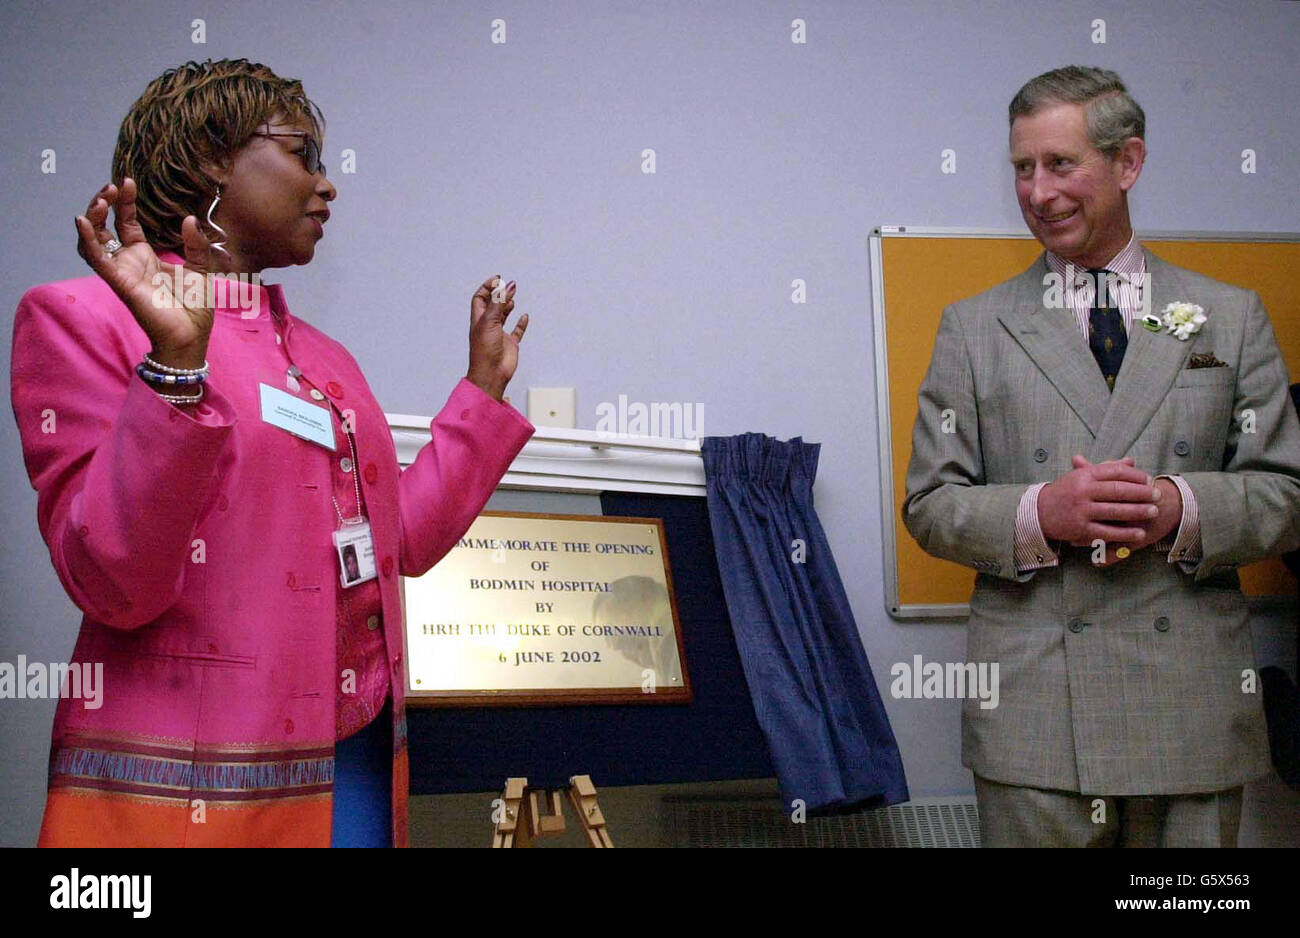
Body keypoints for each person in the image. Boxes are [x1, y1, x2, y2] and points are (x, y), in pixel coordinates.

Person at [10, 59, 535, 847]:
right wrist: (176, 374)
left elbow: (396, 546)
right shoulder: (82, 315)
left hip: (355, 760)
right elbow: (112, 582)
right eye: (304, 156)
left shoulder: (328, 360)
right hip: (191, 792)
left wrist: (481, 395)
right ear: (210, 157)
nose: (328, 186)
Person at [903, 65, 1300, 847]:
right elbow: (929, 503)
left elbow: (1287, 492)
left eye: (1061, 164)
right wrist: (1036, 513)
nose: (1038, 193)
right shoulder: (973, 328)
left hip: (1191, 710)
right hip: (1035, 719)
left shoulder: (1230, 315)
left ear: (1128, 163)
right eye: (1023, 168)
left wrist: (1181, 510)